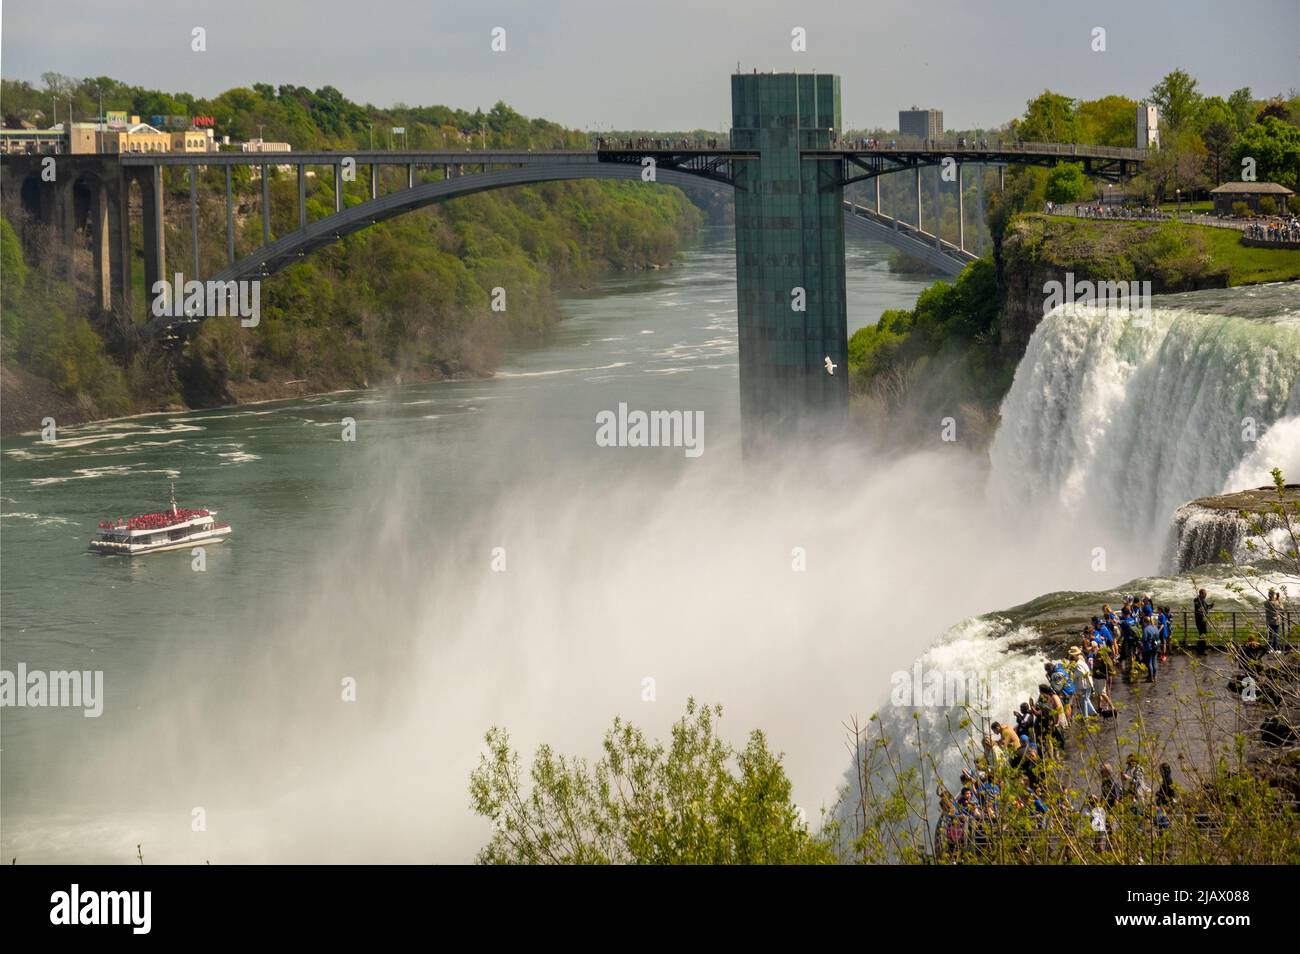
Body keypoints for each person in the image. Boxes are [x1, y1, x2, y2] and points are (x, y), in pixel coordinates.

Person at [1070, 646, 1099, 718]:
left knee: (1084, 700)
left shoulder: (1079, 663)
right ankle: (1093, 713)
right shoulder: (1081, 661)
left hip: (1084, 685)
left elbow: (1081, 673)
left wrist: (1073, 673)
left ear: (1074, 655)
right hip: (1088, 683)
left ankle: (1085, 716)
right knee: (1086, 699)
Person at [1141, 615, 1160, 682]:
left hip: (1148, 648)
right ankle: (1155, 677)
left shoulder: (1146, 629)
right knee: (1154, 662)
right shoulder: (1155, 628)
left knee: (1149, 663)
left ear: (1145, 622)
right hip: (1156, 647)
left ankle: (1150, 677)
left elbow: (1144, 639)